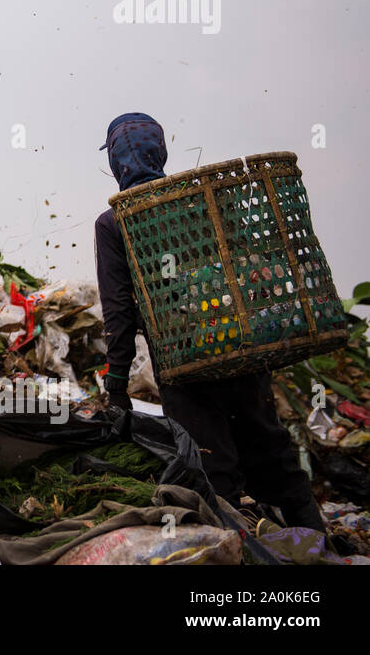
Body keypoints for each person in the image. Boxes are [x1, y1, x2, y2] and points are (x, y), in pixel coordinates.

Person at [94, 112, 325, 531]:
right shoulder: (205, 198)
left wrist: (116, 386)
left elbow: (119, 312)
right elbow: (249, 271)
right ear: (159, 150)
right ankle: (318, 548)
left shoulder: (114, 222)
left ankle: (239, 557)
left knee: (211, 473)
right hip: (238, 347)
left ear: (115, 162)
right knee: (275, 457)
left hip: (184, 366)